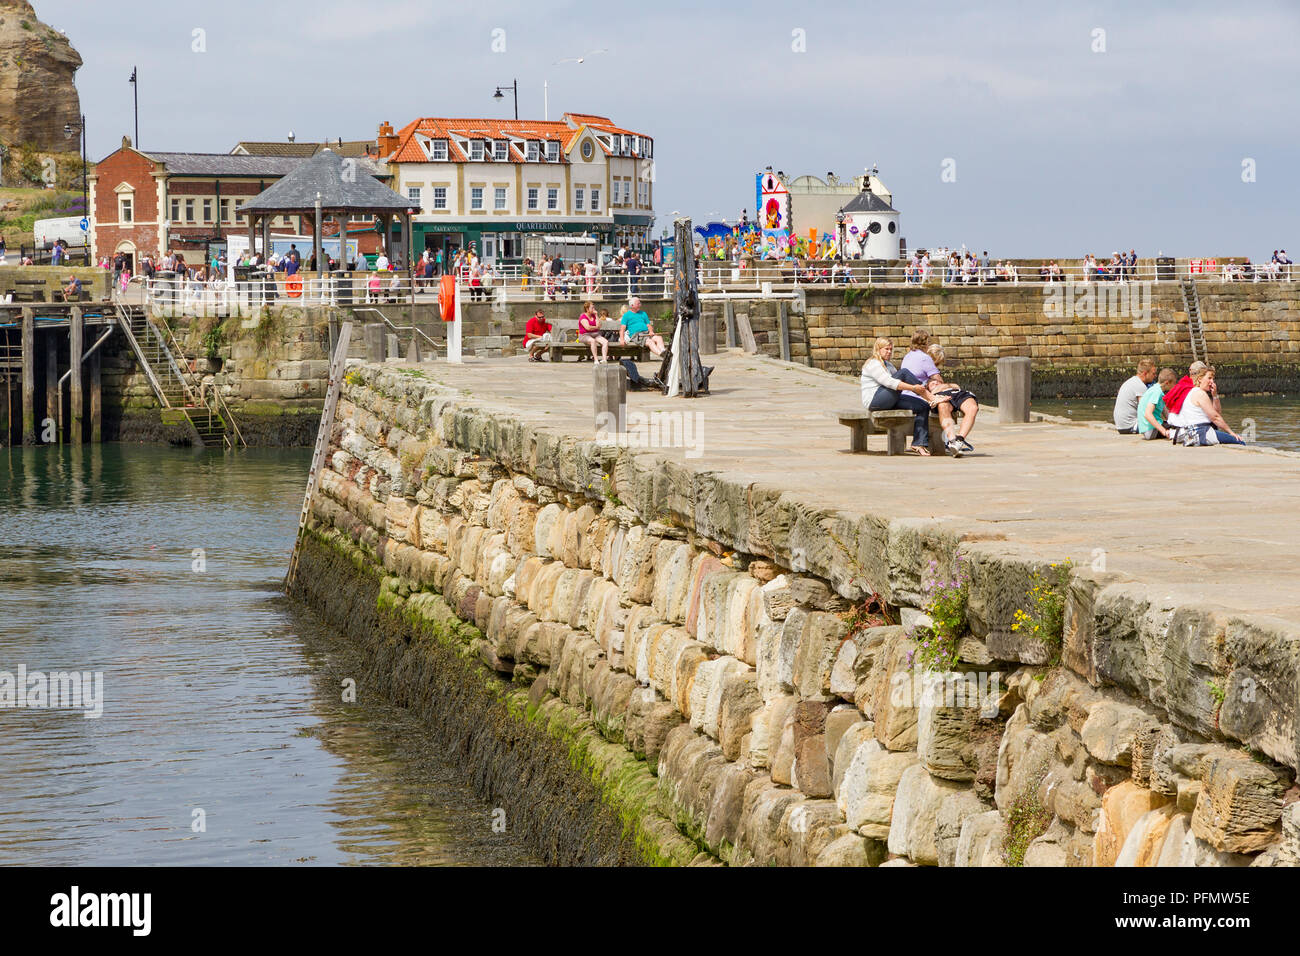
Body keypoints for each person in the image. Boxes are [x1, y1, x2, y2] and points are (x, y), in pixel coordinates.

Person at [861, 337, 935, 455]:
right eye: (886, 349)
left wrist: (916, 388)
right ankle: (932, 397)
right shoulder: (873, 363)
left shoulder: (889, 365)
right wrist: (914, 388)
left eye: (891, 349)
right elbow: (890, 383)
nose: (889, 352)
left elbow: (896, 385)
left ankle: (919, 443)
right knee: (904, 372)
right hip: (875, 402)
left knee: (923, 406)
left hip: (889, 399)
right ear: (878, 349)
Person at [921, 344, 979, 456]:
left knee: (973, 408)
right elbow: (924, 392)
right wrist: (935, 390)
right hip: (940, 397)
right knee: (943, 406)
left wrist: (945, 385)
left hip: (958, 393)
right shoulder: (922, 374)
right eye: (935, 362)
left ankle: (959, 440)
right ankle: (952, 441)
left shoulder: (935, 374)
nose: (936, 367)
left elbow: (956, 386)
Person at [1180, 366, 1245, 445]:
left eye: (1213, 379)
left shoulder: (1193, 391)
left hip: (1191, 434)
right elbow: (1215, 417)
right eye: (1209, 378)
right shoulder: (1200, 394)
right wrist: (1231, 433)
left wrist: (1215, 396)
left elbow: (1217, 413)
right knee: (1240, 442)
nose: (1212, 382)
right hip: (1200, 433)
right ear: (1200, 379)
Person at [1113, 358, 1157, 433]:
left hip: (1121, 426)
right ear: (1145, 374)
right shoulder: (1140, 386)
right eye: (1153, 373)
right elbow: (1146, 411)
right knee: (1163, 427)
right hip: (1130, 426)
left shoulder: (1132, 381)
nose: (1155, 376)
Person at [1137, 367, 1177, 440]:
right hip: (1151, 430)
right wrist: (1164, 431)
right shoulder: (1157, 392)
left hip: (1146, 429)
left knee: (1176, 424)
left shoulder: (1155, 388)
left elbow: (1164, 411)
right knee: (1180, 429)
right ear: (1167, 383)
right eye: (1174, 383)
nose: (1175, 385)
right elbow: (1147, 414)